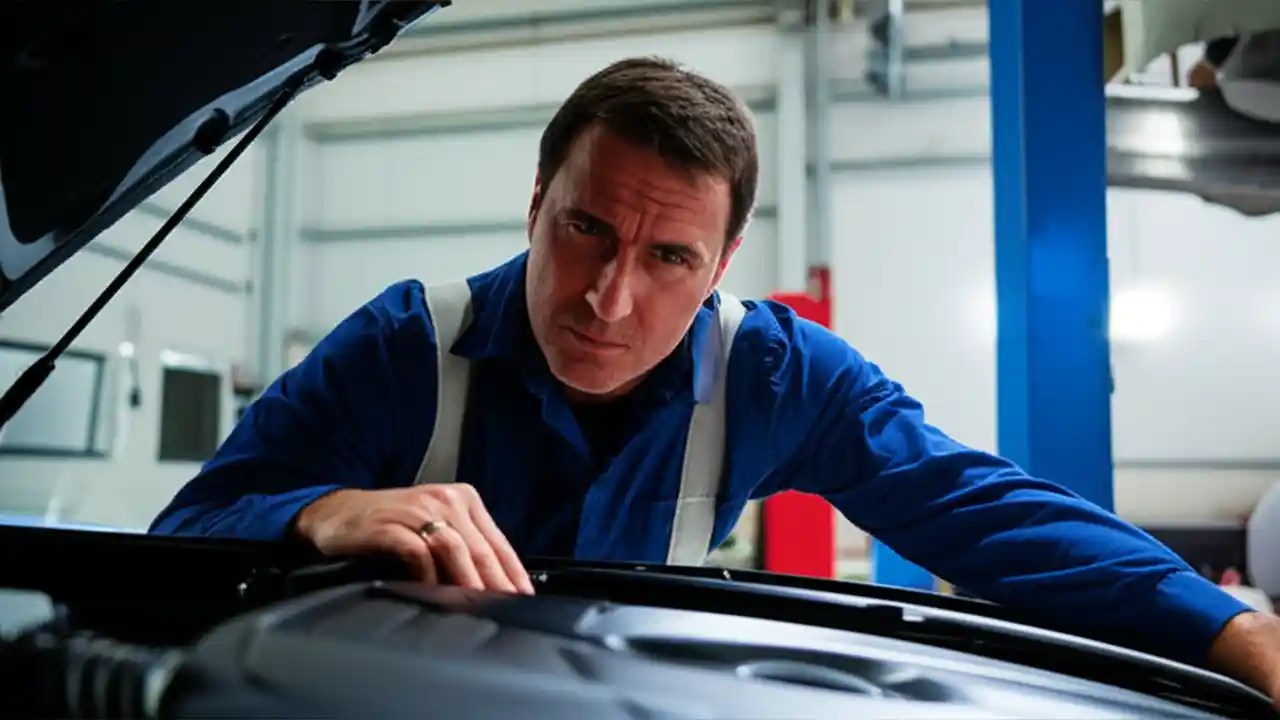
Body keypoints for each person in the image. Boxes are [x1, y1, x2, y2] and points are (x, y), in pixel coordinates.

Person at [150, 56, 1280, 703]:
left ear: (722, 263)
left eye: (668, 259)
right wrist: (323, 510)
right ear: (535, 200)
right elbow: (180, 537)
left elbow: (978, 507)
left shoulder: (778, 377)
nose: (608, 297)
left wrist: (1227, 635)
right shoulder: (403, 350)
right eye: (586, 229)